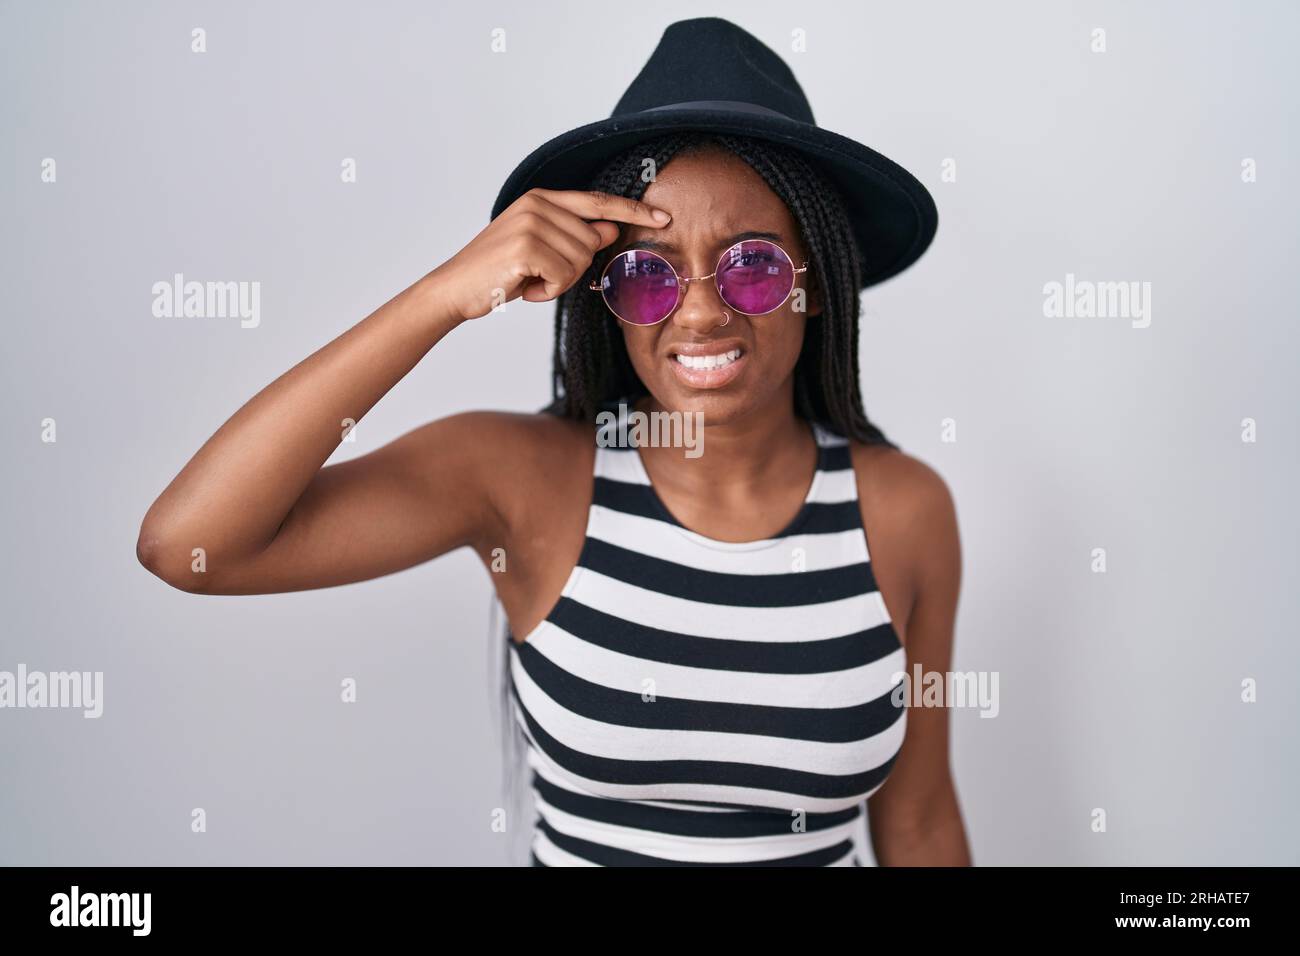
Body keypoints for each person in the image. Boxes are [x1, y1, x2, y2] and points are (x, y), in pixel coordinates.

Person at [138, 17, 971, 866]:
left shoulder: (904, 510)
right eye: (646, 272)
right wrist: (442, 296)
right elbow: (191, 546)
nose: (700, 312)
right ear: (602, 296)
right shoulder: (524, 481)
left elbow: (921, 821)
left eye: (750, 265)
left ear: (817, 284)